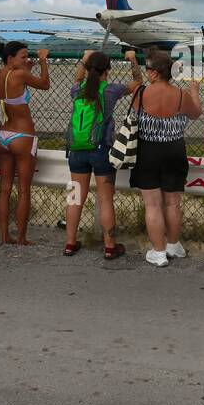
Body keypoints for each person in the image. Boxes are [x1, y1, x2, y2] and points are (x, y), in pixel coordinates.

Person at [62, 49, 138, 258]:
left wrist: (83, 59)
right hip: (101, 150)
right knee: (105, 200)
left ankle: (70, 243)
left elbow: (78, 78)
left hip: (76, 151)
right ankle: (110, 246)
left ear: (87, 69)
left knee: (75, 197)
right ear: (108, 69)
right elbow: (137, 82)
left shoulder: (76, 90)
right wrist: (132, 60)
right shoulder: (111, 91)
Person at [131, 48, 201, 266]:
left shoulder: (141, 93)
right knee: (173, 202)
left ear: (153, 73)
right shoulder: (181, 95)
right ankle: (173, 244)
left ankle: (158, 252)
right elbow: (196, 113)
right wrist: (194, 91)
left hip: (148, 150)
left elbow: (135, 115)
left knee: (152, 204)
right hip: (174, 149)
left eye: (147, 69)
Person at [0, 40, 51, 246]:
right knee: (24, 189)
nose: (27, 60)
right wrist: (43, 60)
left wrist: (25, 68)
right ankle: (22, 237)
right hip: (23, 136)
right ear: (10, 58)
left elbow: (12, 92)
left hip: (2, 135)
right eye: (23, 56)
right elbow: (45, 84)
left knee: (5, 188)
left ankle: (4, 235)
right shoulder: (20, 75)